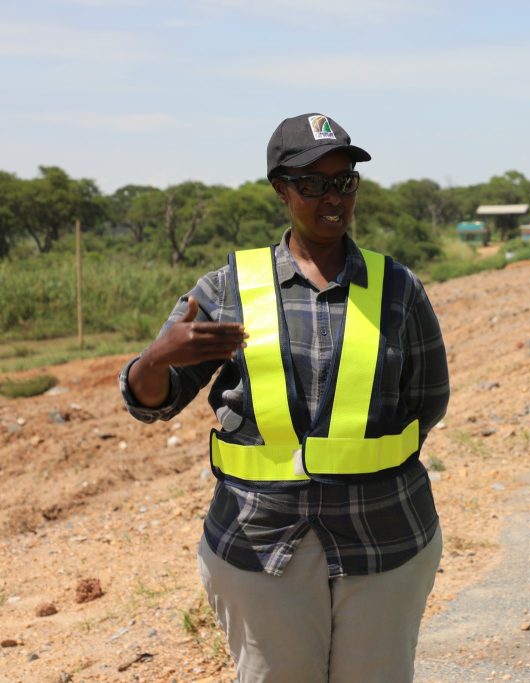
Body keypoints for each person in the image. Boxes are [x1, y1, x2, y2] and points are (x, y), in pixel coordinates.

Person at [119, 113, 448, 683]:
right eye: (311, 183)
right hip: (260, 542)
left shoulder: (398, 288)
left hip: (385, 535)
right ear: (281, 190)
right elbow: (153, 402)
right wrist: (154, 359)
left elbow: (428, 401)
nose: (332, 197)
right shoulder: (228, 288)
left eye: (344, 181)